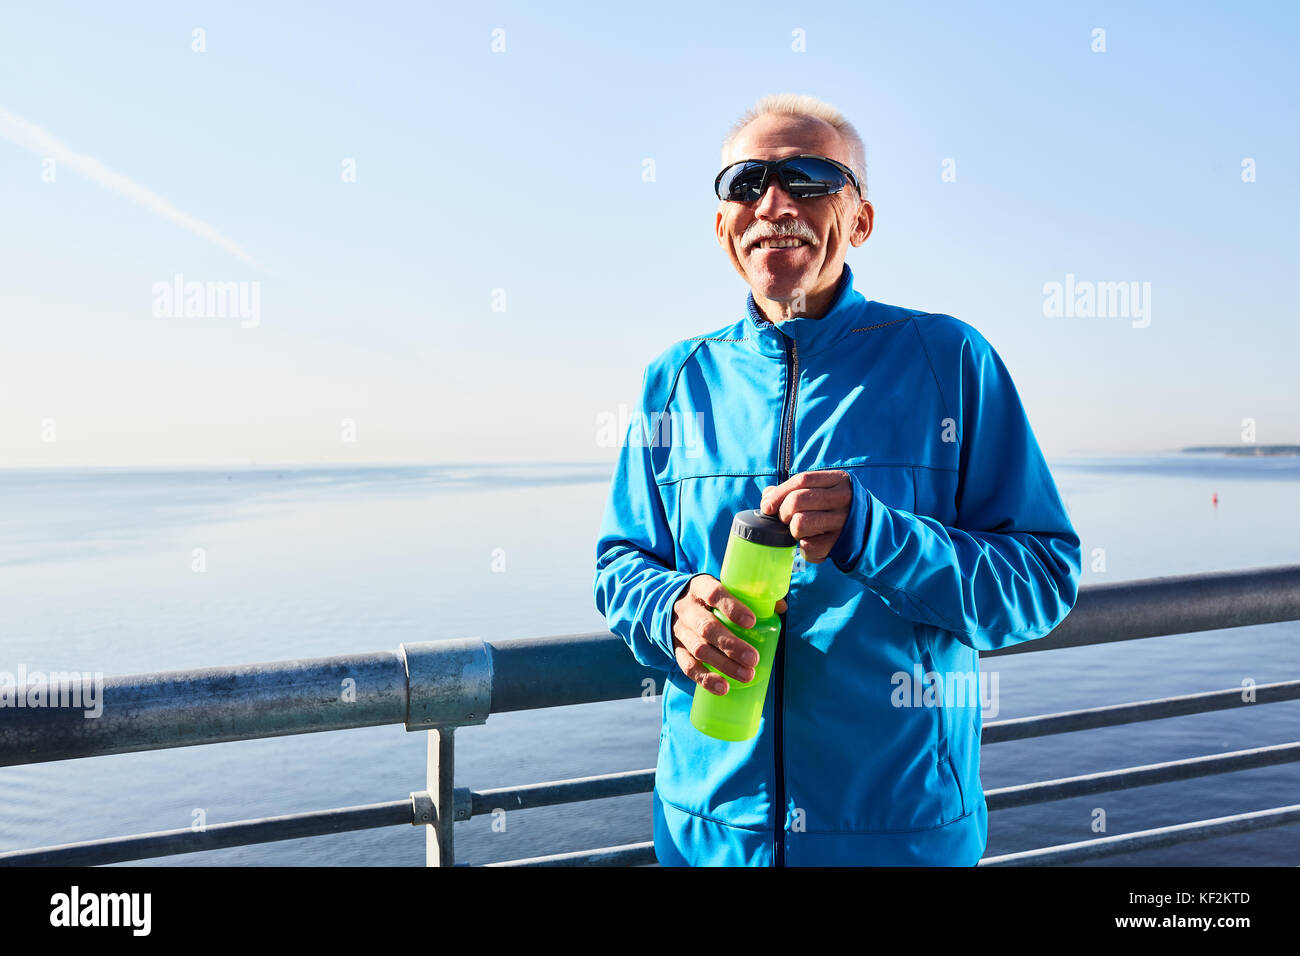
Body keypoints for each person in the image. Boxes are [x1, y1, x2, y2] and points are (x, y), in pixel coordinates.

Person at [592, 93, 1082, 866]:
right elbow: (620, 564)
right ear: (722, 225)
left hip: (900, 836)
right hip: (708, 837)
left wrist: (876, 536)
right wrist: (671, 608)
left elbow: (1042, 583)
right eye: (745, 181)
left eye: (811, 178)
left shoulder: (948, 359)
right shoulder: (674, 381)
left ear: (860, 220)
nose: (773, 201)